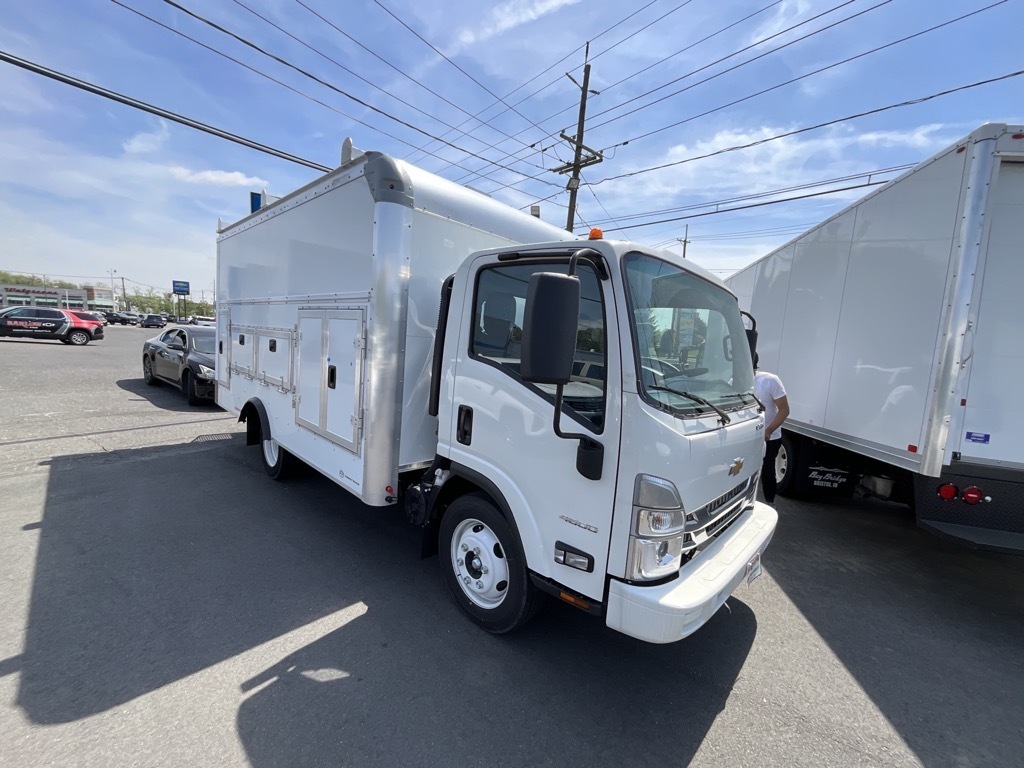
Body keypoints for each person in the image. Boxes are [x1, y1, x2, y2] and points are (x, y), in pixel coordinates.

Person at [754, 353, 790, 504]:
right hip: (747, 436)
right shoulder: (735, 381)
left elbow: (784, 410)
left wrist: (768, 430)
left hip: (770, 437)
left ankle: (770, 503)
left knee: (768, 472)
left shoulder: (769, 380)